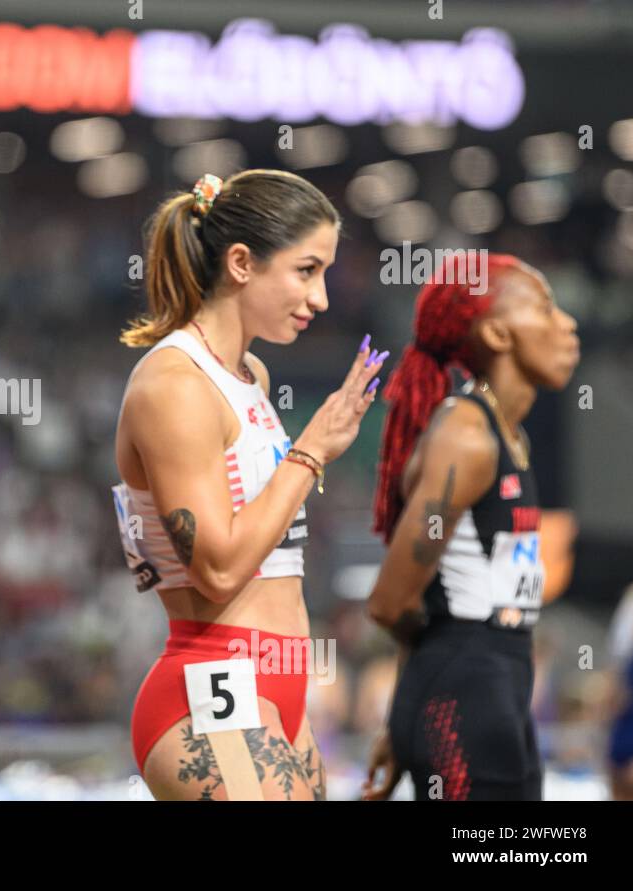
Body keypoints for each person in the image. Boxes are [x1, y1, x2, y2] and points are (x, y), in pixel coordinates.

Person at [113, 169, 385, 800]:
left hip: (279, 684)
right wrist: (312, 452)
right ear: (241, 263)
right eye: (306, 270)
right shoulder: (173, 383)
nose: (321, 298)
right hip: (213, 678)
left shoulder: (249, 375)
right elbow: (217, 569)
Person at [362, 254, 580, 801]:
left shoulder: (509, 437)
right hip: (462, 702)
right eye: (546, 308)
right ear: (498, 332)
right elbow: (391, 601)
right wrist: (420, 696)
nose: (567, 324)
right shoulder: (466, 437)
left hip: (496, 694)